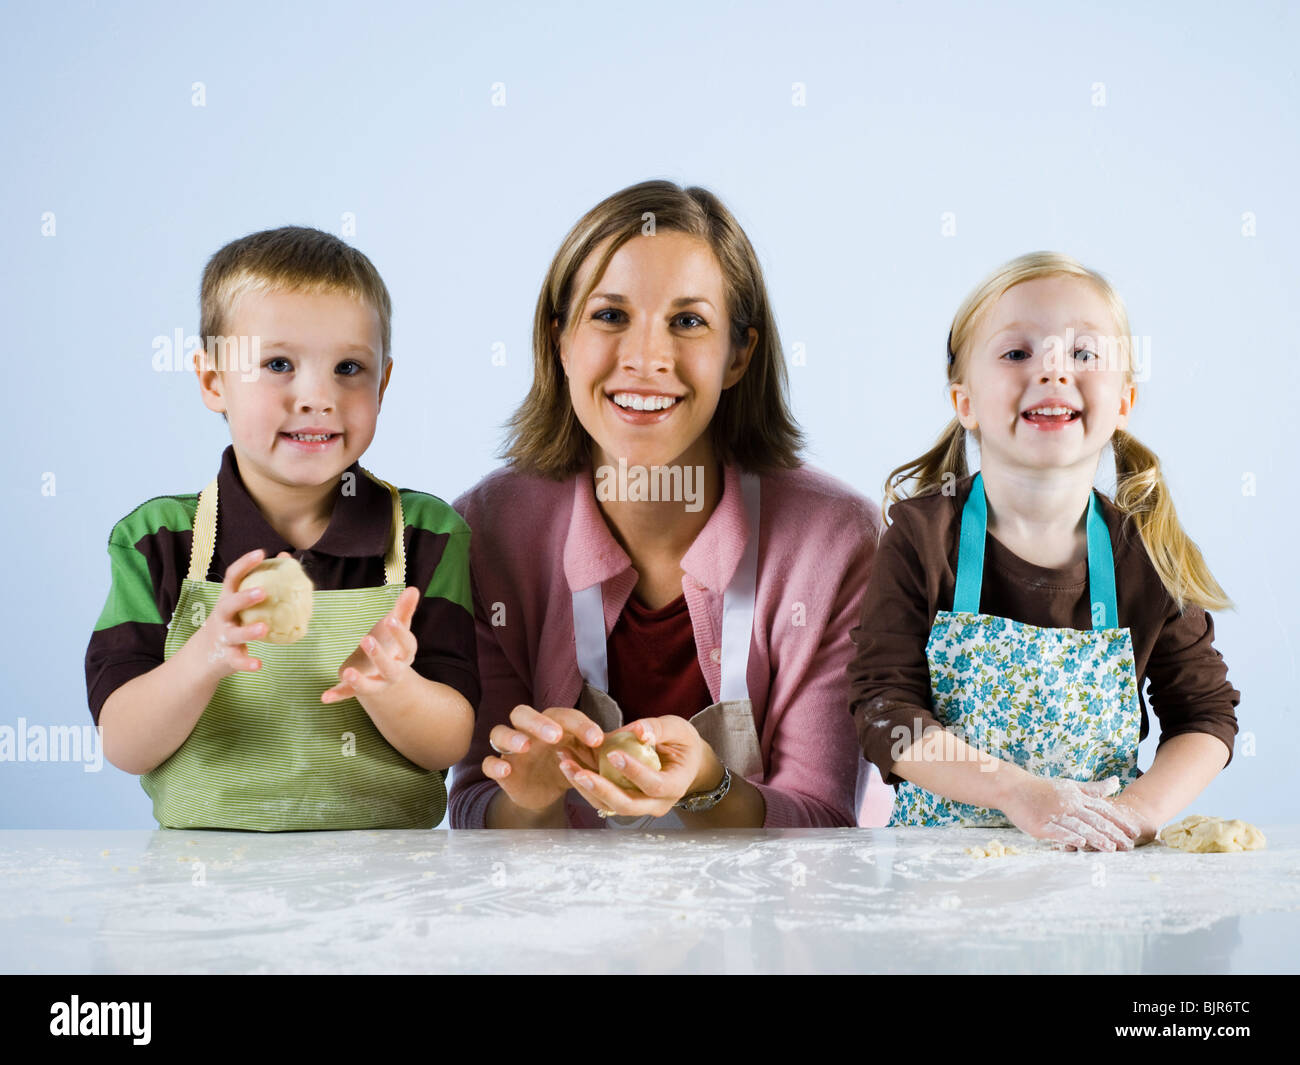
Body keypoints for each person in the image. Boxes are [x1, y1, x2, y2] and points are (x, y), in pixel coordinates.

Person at [450, 180, 890, 829]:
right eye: (609, 315)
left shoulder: (834, 538)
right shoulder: (487, 531)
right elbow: (473, 808)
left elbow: (822, 819)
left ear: (739, 353)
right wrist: (531, 795)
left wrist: (707, 785)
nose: (647, 358)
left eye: (688, 321)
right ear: (560, 341)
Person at [84, 226, 478, 830]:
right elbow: (124, 743)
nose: (318, 396)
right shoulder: (158, 539)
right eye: (278, 364)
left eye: (349, 367)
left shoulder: (427, 534)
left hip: (392, 888)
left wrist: (392, 687)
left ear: (384, 384)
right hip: (205, 886)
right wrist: (205, 656)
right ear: (213, 381)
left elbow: (450, 741)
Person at [848, 251, 1240, 850]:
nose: (1054, 372)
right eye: (1016, 353)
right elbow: (884, 711)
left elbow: (1206, 719)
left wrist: (1134, 813)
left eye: (1083, 354)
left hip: (1095, 873)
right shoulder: (921, 540)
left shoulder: (1146, 551)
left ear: (1125, 402)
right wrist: (1015, 791)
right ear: (966, 403)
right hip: (942, 878)